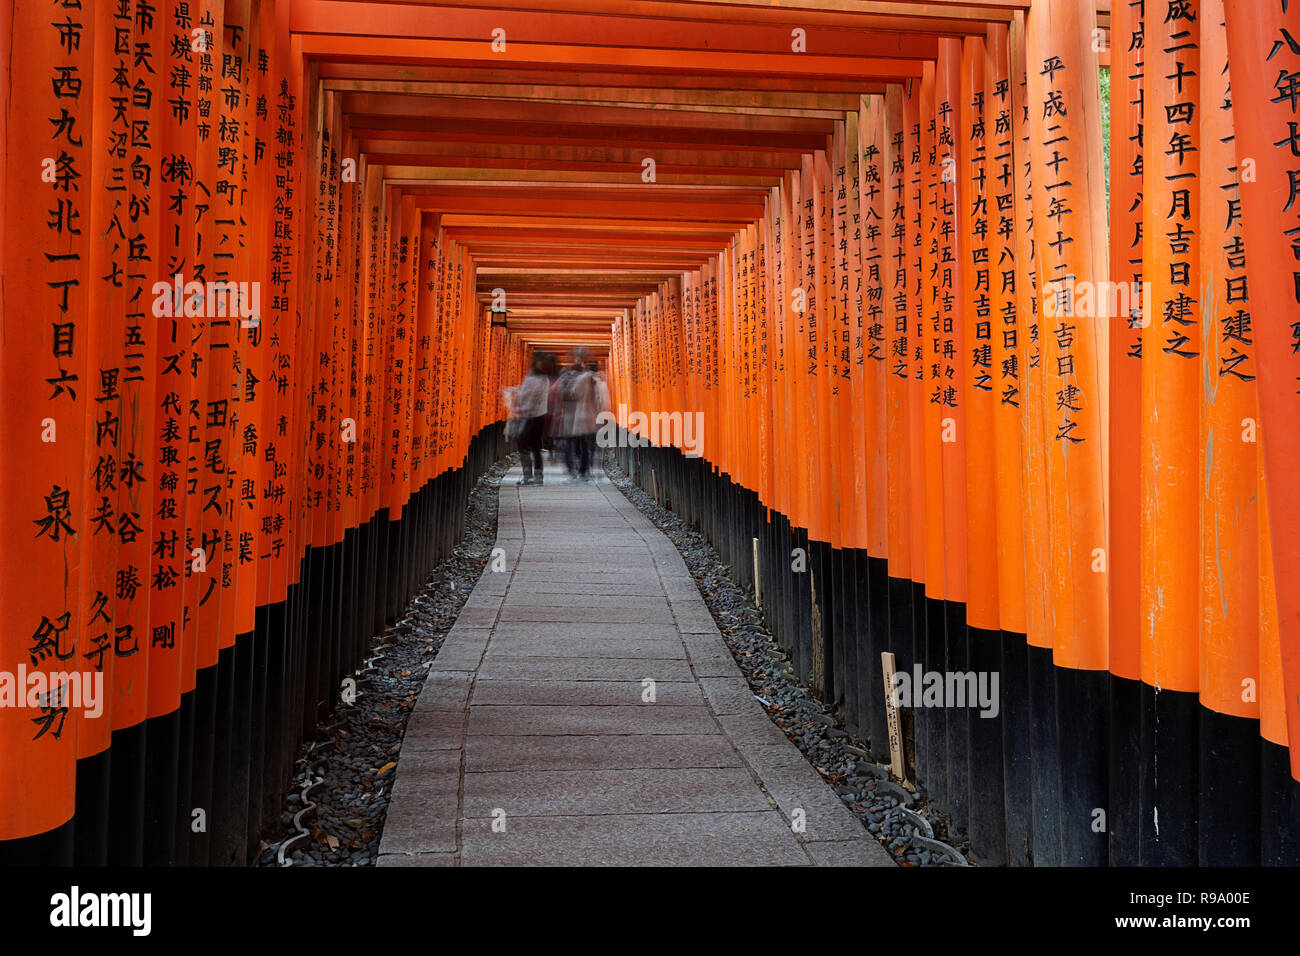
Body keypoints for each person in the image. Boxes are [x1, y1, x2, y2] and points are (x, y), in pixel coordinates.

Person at [510, 352, 551, 484]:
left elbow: (528, 396)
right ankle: (537, 476)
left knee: (524, 446)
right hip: (540, 416)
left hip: (530, 417)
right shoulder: (544, 378)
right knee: (535, 447)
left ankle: (528, 476)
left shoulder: (534, 378)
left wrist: (518, 407)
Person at [557, 354, 597, 480]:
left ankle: (572, 468)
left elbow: (570, 393)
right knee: (585, 444)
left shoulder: (572, 379)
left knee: (571, 443)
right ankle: (584, 469)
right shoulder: (594, 380)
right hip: (589, 416)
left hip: (574, 416)